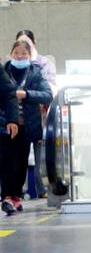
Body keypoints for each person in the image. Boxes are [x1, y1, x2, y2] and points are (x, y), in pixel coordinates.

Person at [1, 38, 52, 215]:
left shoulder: (35, 73)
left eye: (24, 54)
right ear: (10, 54)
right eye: (16, 53)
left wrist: (27, 94)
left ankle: (15, 196)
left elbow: (47, 95)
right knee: (7, 161)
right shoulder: (4, 71)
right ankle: (7, 196)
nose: (20, 57)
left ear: (30, 56)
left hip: (27, 125)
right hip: (6, 124)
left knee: (21, 162)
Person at [14, 30, 55, 199]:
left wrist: (27, 94)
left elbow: (49, 90)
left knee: (41, 157)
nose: (21, 53)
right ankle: (17, 192)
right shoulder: (9, 67)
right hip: (17, 120)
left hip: (40, 116)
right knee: (17, 159)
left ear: (33, 44)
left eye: (26, 47)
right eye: (18, 48)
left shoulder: (42, 65)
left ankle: (43, 189)